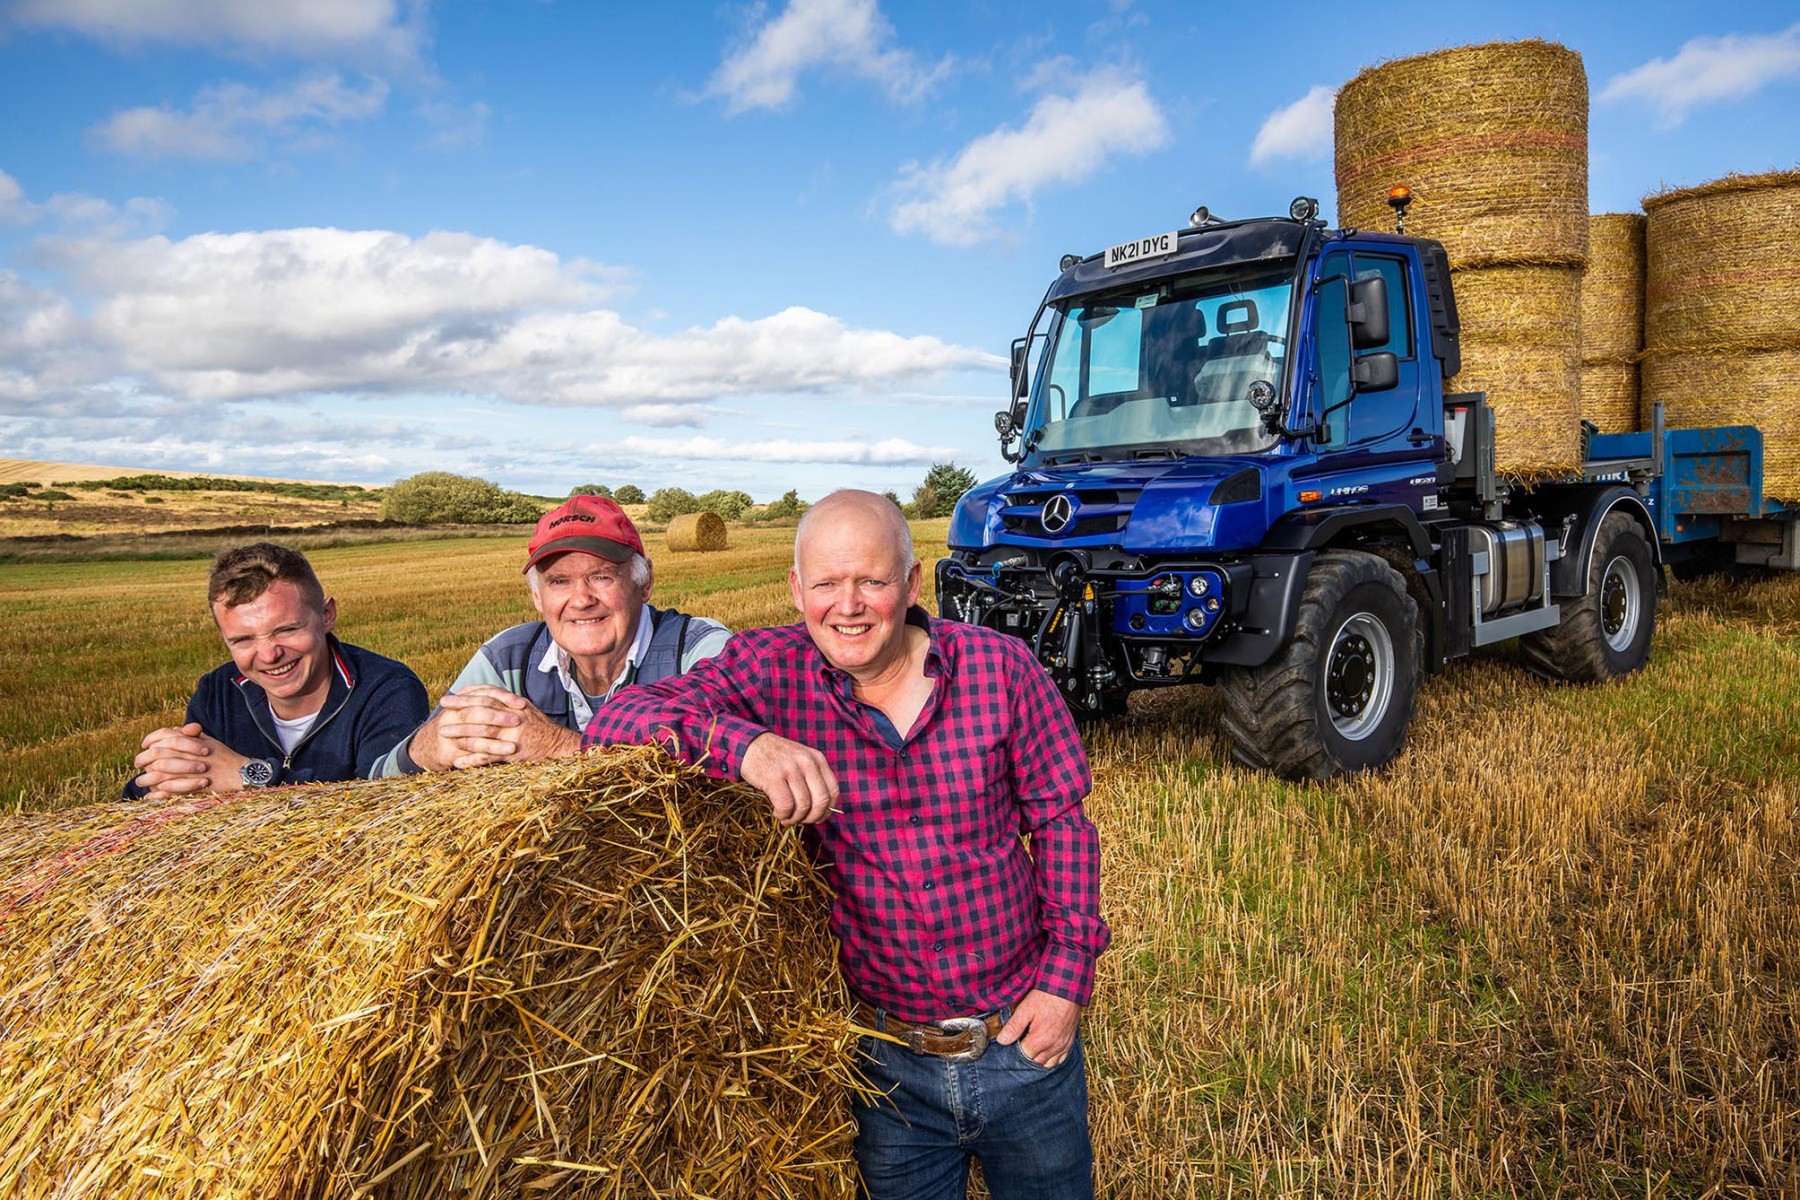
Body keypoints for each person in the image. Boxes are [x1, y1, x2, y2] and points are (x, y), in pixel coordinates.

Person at [582, 489, 1109, 1200]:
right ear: (798, 590)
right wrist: (747, 746)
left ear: (913, 583)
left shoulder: (1002, 670)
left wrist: (1064, 983)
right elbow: (620, 717)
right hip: (885, 1065)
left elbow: (1062, 825)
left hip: (1021, 1041)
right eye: (827, 583)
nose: (849, 605)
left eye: (872, 580)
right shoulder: (768, 671)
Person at [372, 493, 729, 775]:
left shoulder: (699, 650)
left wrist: (560, 747)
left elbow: (745, 771)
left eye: (601, 576)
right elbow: (378, 782)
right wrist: (428, 747)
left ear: (644, 582)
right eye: (559, 581)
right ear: (537, 597)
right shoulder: (506, 659)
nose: (582, 600)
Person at [126, 542, 429, 799]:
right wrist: (164, 775)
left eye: (286, 630)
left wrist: (252, 777)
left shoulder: (388, 689)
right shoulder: (218, 691)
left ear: (327, 615)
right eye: (243, 640)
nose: (269, 655)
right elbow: (187, 791)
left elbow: (382, 809)